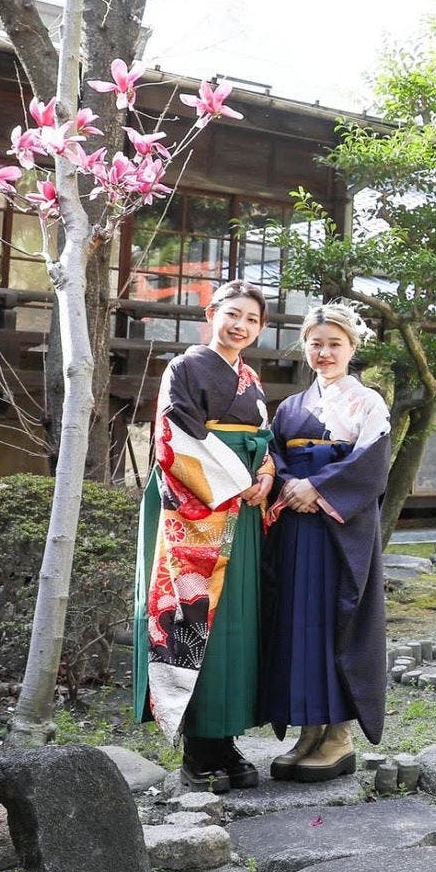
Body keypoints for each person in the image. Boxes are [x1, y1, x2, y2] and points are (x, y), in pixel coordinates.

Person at [132, 280, 276, 792]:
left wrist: (266, 474)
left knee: (236, 627)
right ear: (210, 313)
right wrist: (241, 482)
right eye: (232, 314)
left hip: (242, 510)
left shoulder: (251, 378)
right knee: (194, 618)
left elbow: (264, 439)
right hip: (197, 512)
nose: (240, 326)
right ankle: (197, 746)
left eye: (252, 320)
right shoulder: (185, 368)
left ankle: (227, 739)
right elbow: (177, 436)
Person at [260, 300, 392, 781]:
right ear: (305, 348)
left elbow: (371, 468)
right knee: (299, 626)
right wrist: (288, 485)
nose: (324, 352)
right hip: (296, 530)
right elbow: (272, 458)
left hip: (340, 532)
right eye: (316, 344)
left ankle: (338, 735)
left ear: (352, 348)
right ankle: (308, 731)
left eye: (334, 344)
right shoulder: (289, 409)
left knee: (337, 621)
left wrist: (316, 487)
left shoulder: (368, 403)